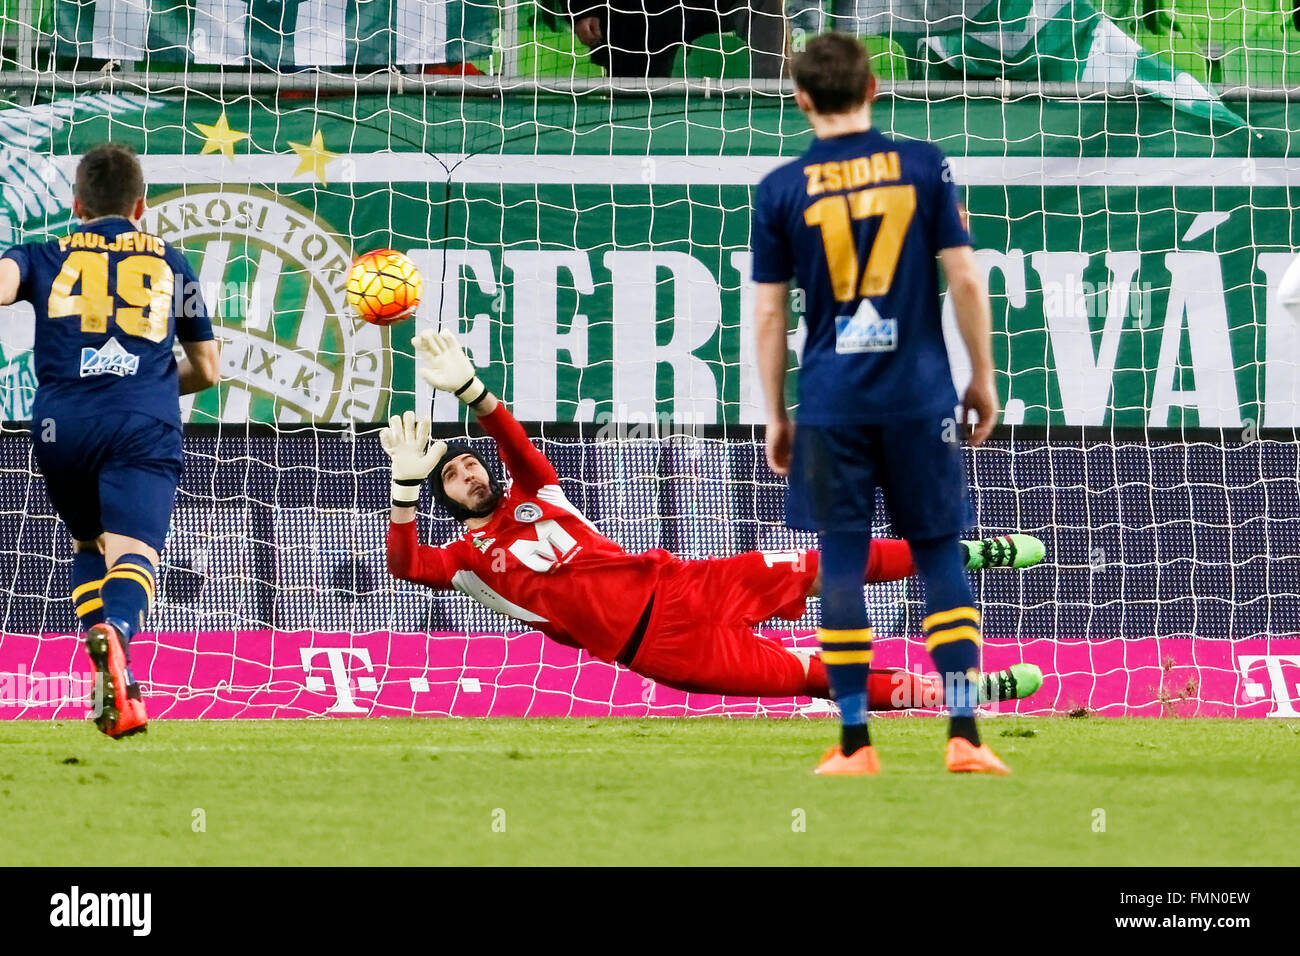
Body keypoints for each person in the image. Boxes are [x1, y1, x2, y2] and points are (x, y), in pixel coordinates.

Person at [384, 330, 1044, 710]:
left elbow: (515, 444)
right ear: (445, 498)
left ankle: (968, 553)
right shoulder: (467, 560)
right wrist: (405, 492)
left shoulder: (539, 493)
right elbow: (406, 564)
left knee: (823, 566)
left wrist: (472, 391)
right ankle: (960, 692)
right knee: (815, 677)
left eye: (467, 465)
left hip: (684, 583)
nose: (468, 474)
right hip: (664, 648)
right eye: (452, 476)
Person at [752, 33, 1006, 775]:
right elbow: (963, 278)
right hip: (919, 397)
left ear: (800, 99)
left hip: (831, 405)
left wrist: (777, 412)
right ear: (875, 87)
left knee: (841, 558)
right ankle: (964, 736)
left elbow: (768, 315)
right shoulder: (924, 165)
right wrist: (981, 376)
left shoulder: (781, 188)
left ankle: (856, 743)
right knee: (936, 553)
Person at [0, 143, 220, 739]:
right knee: (134, 554)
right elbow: (207, 368)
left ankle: (111, 688)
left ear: (76, 204)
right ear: (141, 206)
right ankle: (116, 634)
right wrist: (146, 381)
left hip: (59, 426)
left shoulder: (43, 253)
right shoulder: (174, 263)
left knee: (87, 540)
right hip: (140, 422)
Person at [554, 0, 787, 78]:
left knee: (761, 1)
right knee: (632, 111)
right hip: (637, 13)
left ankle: (771, 91)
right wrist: (581, 8)